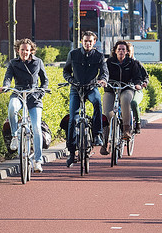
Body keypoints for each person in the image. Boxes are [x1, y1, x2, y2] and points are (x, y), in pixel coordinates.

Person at [0, 38, 49, 173]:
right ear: (18, 50)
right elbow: (8, 78)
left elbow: (45, 81)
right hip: (19, 93)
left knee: (36, 128)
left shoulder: (38, 62)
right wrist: (6, 86)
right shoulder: (13, 63)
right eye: (22, 50)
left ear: (31, 51)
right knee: (12, 108)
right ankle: (15, 136)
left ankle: (38, 160)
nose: (24, 52)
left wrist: (41, 92)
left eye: (27, 50)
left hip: (34, 96)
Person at [62, 30, 109, 166]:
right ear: (81, 41)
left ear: (94, 42)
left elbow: (104, 72)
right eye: (85, 41)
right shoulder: (73, 54)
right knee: (73, 118)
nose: (87, 43)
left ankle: (97, 134)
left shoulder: (99, 56)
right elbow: (66, 71)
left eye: (90, 41)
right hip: (76, 89)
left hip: (91, 87)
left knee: (97, 102)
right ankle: (71, 152)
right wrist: (71, 80)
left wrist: (102, 80)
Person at [102, 39, 149, 154]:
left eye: (123, 49)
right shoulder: (109, 62)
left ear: (127, 51)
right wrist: (103, 81)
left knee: (126, 100)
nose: (121, 51)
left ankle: (126, 130)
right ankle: (104, 143)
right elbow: (104, 74)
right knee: (107, 113)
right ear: (115, 51)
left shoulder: (132, 63)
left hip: (126, 88)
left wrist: (137, 84)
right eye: (119, 49)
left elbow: (137, 76)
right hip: (111, 89)